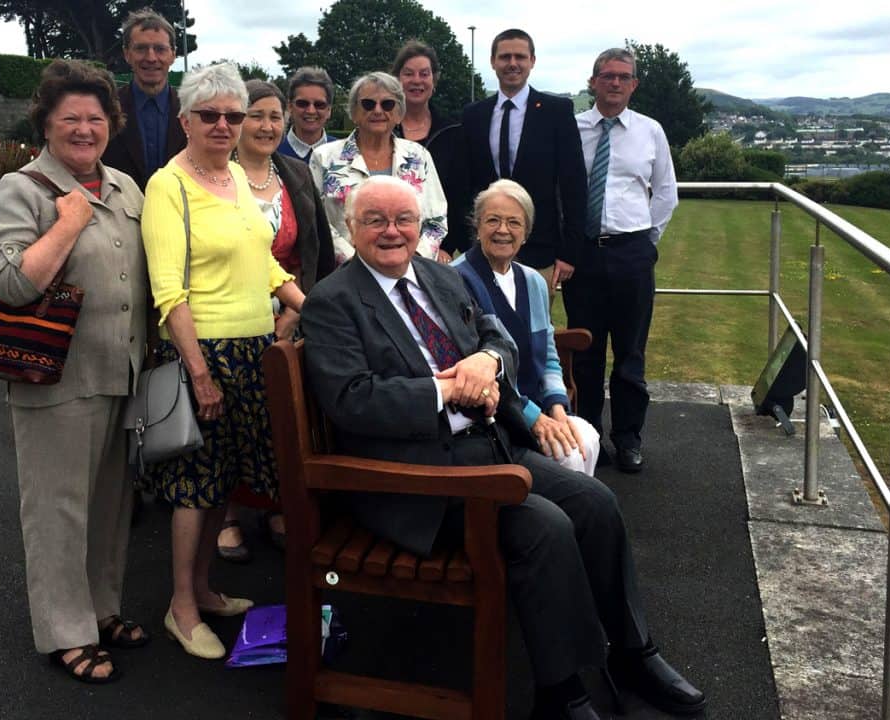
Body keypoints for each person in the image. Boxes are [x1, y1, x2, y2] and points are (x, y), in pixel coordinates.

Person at [299, 175, 705, 720]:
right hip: (413, 478)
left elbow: (497, 338)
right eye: (376, 220)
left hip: (488, 448)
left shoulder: (441, 278)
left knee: (595, 503)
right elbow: (352, 400)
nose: (392, 232)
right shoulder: (333, 301)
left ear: (421, 227)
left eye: (404, 220)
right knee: (545, 527)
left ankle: (634, 652)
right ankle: (561, 692)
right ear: (352, 228)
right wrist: (447, 389)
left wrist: (486, 362)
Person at [0, 59, 150, 684]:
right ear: (47, 125)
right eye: (70, 118)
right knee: (57, 509)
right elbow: (10, 284)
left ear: (112, 124)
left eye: (96, 118)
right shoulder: (22, 189)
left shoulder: (128, 188)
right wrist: (70, 219)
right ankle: (65, 632)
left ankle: (102, 610)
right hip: (54, 379)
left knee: (110, 506)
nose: (85, 129)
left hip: (121, 370)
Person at [141, 62, 306, 660]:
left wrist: (310, 307)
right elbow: (168, 291)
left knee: (223, 482)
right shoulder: (169, 185)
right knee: (194, 486)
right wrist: (201, 373)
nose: (223, 124)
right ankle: (181, 607)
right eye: (209, 114)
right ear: (185, 119)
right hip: (203, 352)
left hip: (254, 351)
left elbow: (264, 265)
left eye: (233, 115)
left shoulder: (237, 176)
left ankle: (205, 589)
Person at [216, 78, 335, 563]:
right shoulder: (215, 177)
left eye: (273, 116)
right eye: (255, 115)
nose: (266, 126)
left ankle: (275, 506)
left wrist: (297, 310)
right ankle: (225, 516)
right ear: (236, 121)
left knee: (283, 421)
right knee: (229, 419)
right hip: (231, 318)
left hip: (292, 318)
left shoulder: (296, 175)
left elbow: (318, 251)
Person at [564, 48, 678, 474]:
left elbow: (666, 192)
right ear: (592, 82)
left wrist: (648, 242)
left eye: (623, 77)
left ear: (633, 84)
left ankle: (628, 438)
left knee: (631, 354)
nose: (614, 83)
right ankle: (590, 438)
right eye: (606, 76)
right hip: (584, 257)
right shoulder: (572, 129)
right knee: (586, 353)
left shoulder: (650, 131)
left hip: (632, 252)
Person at [452, 179, 601, 475]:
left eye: (513, 222)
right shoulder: (455, 281)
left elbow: (547, 354)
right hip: (492, 416)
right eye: (493, 220)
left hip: (537, 406)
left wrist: (557, 408)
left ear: (526, 233)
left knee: (587, 437)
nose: (503, 230)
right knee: (569, 455)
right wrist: (535, 418)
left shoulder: (533, 281)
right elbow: (470, 369)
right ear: (477, 225)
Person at [461, 28, 586, 290]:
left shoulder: (557, 112)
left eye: (520, 56)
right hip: (485, 249)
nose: (513, 64)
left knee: (533, 328)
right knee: (483, 327)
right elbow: (468, 183)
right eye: (505, 57)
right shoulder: (474, 115)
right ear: (493, 61)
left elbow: (573, 184)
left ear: (532, 61)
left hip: (540, 252)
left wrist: (569, 251)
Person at [310, 71, 447, 265]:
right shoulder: (324, 158)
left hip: (408, 270)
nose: (377, 110)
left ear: (399, 113)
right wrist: (355, 262)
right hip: (345, 273)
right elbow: (316, 222)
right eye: (368, 104)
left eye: (387, 104)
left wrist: (412, 258)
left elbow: (436, 220)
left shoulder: (419, 156)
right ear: (354, 111)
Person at [391, 40, 468, 260]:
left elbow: (460, 197)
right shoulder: (384, 131)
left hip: (438, 250)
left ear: (434, 80)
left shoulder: (454, 132)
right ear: (397, 79)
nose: (417, 80)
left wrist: (446, 246)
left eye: (424, 74)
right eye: (408, 74)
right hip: (387, 243)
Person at [100, 8, 187, 191]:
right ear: (127, 54)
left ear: (173, 54)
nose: (151, 57)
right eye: (141, 48)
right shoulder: (105, 109)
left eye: (160, 49)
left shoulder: (192, 110)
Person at [277, 67, 335, 163]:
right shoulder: (272, 152)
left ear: (329, 110)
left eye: (319, 104)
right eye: (302, 103)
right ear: (290, 107)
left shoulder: (344, 154)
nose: (311, 111)